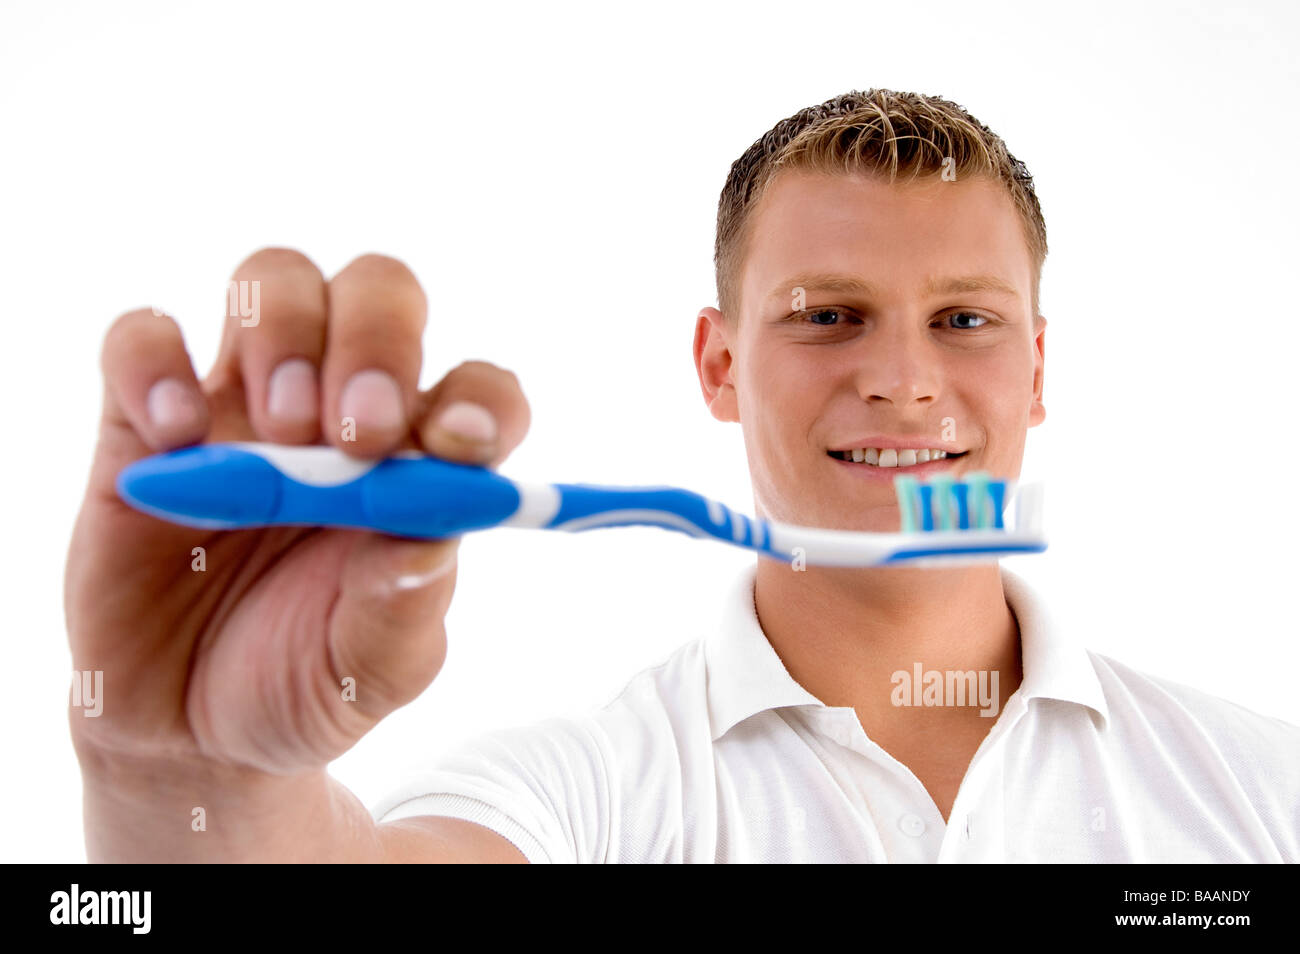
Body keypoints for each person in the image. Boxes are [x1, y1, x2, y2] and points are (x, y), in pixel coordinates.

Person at [66, 89, 1300, 863]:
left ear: (1037, 371)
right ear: (717, 364)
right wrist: (185, 782)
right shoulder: (589, 796)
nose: (905, 381)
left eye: (965, 322)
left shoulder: (1260, 790)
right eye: (828, 315)